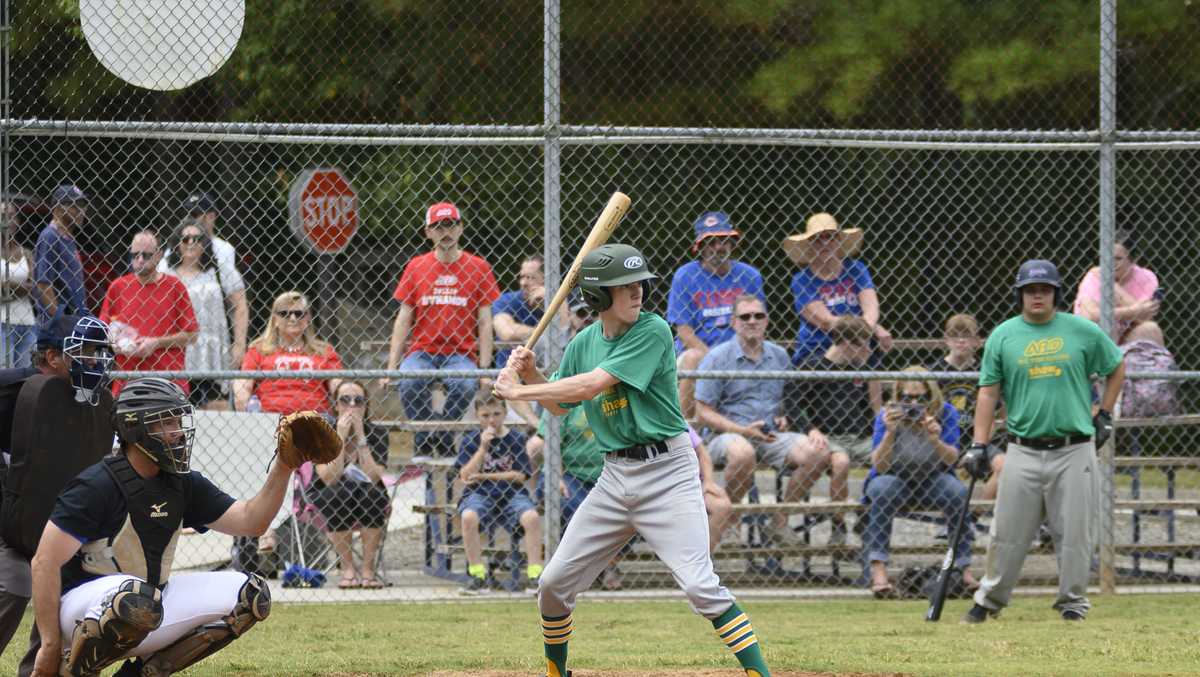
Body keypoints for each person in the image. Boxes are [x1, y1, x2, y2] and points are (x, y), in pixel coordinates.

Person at [494, 243, 772, 677]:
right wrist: (532, 375)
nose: (637, 291)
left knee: (701, 586)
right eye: (623, 286)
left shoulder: (653, 330)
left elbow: (590, 387)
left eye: (638, 283)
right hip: (615, 476)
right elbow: (560, 405)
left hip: (668, 474)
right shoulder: (584, 342)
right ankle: (556, 672)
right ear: (600, 296)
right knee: (552, 586)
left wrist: (518, 391)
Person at [28, 378, 290, 676]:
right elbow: (44, 562)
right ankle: (74, 670)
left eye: (178, 420)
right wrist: (48, 645)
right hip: (80, 612)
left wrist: (284, 466)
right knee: (133, 596)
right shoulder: (96, 485)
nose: (177, 432)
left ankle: (141, 673)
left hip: (143, 605)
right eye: (165, 422)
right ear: (134, 428)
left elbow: (251, 522)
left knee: (249, 595)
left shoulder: (181, 482)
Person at [961, 259, 1124, 624]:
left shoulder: (1081, 330)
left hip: (1075, 446)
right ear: (1020, 294)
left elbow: (1116, 366)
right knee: (1007, 532)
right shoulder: (1004, 335)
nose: (1038, 296)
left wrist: (1106, 413)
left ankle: (1072, 602)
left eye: (1045, 290)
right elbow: (988, 395)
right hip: (1022, 447)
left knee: (1075, 532)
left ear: (1056, 294)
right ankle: (989, 600)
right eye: (1031, 290)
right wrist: (979, 443)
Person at [0, 314, 113, 675]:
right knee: (14, 582)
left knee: (63, 594)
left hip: (45, 516)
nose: (94, 362)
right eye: (85, 352)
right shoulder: (13, 391)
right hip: (9, 515)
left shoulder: (93, 405)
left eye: (99, 353)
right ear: (52, 358)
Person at [694, 295, 830, 548]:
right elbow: (703, 412)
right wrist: (742, 430)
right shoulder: (717, 357)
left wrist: (783, 415)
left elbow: (789, 399)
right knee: (743, 452)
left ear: (767, 321)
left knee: (818, 452)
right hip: (728, 435)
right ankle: (730, 523)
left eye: (759, 316)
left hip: (769, 435)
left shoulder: (779, 356)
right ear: (734, 322)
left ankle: (778, 523)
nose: (752, 321)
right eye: (745, 317)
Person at [383, 201, 500, 456]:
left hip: (461, 353)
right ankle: (427, 437)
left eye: (450, 225)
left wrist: (484, 368)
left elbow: (485, 321)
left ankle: (443, 435)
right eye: (437, 226)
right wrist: (392, 366)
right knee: (409, 382)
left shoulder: (478, 267)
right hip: (422, 351)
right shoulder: (416, 266)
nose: (444, 231)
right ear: (428, 232)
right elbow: (403, 320)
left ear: (460, 229)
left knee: (465, 385)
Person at [863, 367, 977, 598]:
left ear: (931, 396)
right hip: (895, 477)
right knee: (882, 489)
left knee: (956, 492)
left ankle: (963, 568)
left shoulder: (946, 413)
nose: (913, 405)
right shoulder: (887, 415)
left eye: (920, 399)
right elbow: (880, 466)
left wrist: (935, 439)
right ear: (898, 396)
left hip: (933, 477)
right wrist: (889, 433)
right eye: (907, 398)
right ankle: (879, 571)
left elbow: (952, 459)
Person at [784, 315, 882, 546]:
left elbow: (876, 409)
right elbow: (791, 402)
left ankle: (866, 514)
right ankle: (839, 527)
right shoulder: (814, 366)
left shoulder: (864, 368)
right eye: (863, 344)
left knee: (888, 456)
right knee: (841, 463)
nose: (868, 350)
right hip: (830, 438)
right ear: (847, 344)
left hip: (860, 437)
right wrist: (811, 429)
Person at [667, 211, 764, 418]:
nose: (718, 247)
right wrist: (716, 360)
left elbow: (758, 323)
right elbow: (684, 332)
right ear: (700, 247)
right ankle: (688, 430)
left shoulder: (749, 276)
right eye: (710, 242)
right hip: (699, 349)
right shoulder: (685, 276)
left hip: (740, 349)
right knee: (694, 358)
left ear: (732, 243)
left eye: (723, 241)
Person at [455, 390, 541, 594]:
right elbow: (466, 476)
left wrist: (485, 476)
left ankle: (535, 575)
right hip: (479, 494)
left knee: (531, 517)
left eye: (496, 414)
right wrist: (483, 449)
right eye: (485, 415)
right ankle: (477, 575)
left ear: (504, 413)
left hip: (511, 493)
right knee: (468, 516)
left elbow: (520, 476)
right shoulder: (471, 440)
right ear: (477, 416)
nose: (491, 420)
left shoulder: (515, 439)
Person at [782, 212, 892, 364]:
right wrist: (873, 328)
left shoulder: (856, 269)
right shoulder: (801, 279)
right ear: (809, 245)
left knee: (873, 360)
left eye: (830, 236)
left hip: (860, 344)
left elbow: (871, 309)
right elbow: (828, 322)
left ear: (839, 240)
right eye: (817, 239)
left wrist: (869, 327)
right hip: (819, 350)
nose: (825, 243)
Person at [310, 380, 390, 589]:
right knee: (338, 495)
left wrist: (361, 435)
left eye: (359, 401)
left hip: (366, 492)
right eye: (345, 400)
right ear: (335, 405)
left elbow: (373, 477)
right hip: (330, 492)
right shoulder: (323, 432)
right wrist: (341, 438)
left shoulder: (378, 433)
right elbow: (329, 478)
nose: (352, 406)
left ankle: (367, 569)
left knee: (372, 495)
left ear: (366, 406)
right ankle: (347, 568)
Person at [162, 219, 249, 409]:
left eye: (197, 238)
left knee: (215, 406)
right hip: (175, 348)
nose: (191, 243)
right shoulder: (165, 272)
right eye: (186, 239)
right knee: (174, 407)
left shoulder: (219, 270)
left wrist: (239, 343)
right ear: (177, 243)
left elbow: (240, 305)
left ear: (205, 243)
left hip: (212, 349)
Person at [100, 230, 198, 394]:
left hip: (167, 383)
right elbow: (103, 331)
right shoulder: (118, 287)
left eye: (146, 255)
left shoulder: (174, 287)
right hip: (127, 384)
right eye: (135, 255)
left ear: (158, 255)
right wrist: (115, 344)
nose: (139, 260)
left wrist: (156, 343)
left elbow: (192, 335)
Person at [931, 313, 1006, 501]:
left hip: (977, 440)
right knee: (946, 482)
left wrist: (977, 447)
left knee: (1004, 467)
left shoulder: (985, 371)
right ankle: (955, 521)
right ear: (946, 340)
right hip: (943, 440)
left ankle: (973, 516)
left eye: (967, 336)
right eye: (955, 335)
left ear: (977, 342)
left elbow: (995, 415)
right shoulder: (935, 371)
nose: (961, 341)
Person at [234, 291, 343, 414]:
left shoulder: (324, 351)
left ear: (307, 318)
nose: (292, 318)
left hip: (314, 419)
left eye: (299, 314)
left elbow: (338, 387)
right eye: (284, 313)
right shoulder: (258, 350)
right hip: (270, 418)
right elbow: (244, 384)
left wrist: (345, 393)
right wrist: (242, 399)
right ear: (275, 319)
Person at [1073, 230, 1163, 345]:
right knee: (1108, 326)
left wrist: (1113, 286)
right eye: (1107, 257)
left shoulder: (1146, 277)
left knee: (1151, 329)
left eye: (1118, 258)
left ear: (1132, 260)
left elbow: (1144, 317)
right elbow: (1090, 316)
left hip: (1127, 335)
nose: (1111, 263)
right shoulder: (1094, 276)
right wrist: (1134, 311)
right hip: (1092, 337)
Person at [492, 254, 545, 427]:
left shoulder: (560, 300)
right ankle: (539, 427)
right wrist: (545, 333)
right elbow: (506, 332)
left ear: (546, 279)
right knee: (509, 381)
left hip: (547, 374)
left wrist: (551, 302)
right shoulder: (507, 300)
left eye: (531, 278)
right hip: (513, 375)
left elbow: (567, 332)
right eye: (522, 276)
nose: (523, 282)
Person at [34, 185, 89, 321]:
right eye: (75, 206)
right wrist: (61, 320)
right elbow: (43, 284)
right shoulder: (50, 236)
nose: (81, 211)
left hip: (74, 319)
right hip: (58, 327)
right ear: (58, 209)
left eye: (83, 206)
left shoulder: (68, 238)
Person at [1, 202, 36, 368]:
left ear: (18, 221)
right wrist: (22, 287)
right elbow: (28, 287)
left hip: (27, 323)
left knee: (26, 378)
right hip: (1, 323)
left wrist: (7, 285)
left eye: (11, 216)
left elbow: (35, 287)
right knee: (5, 377)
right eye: (2, 216)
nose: (7, 220)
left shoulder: (26, 253)